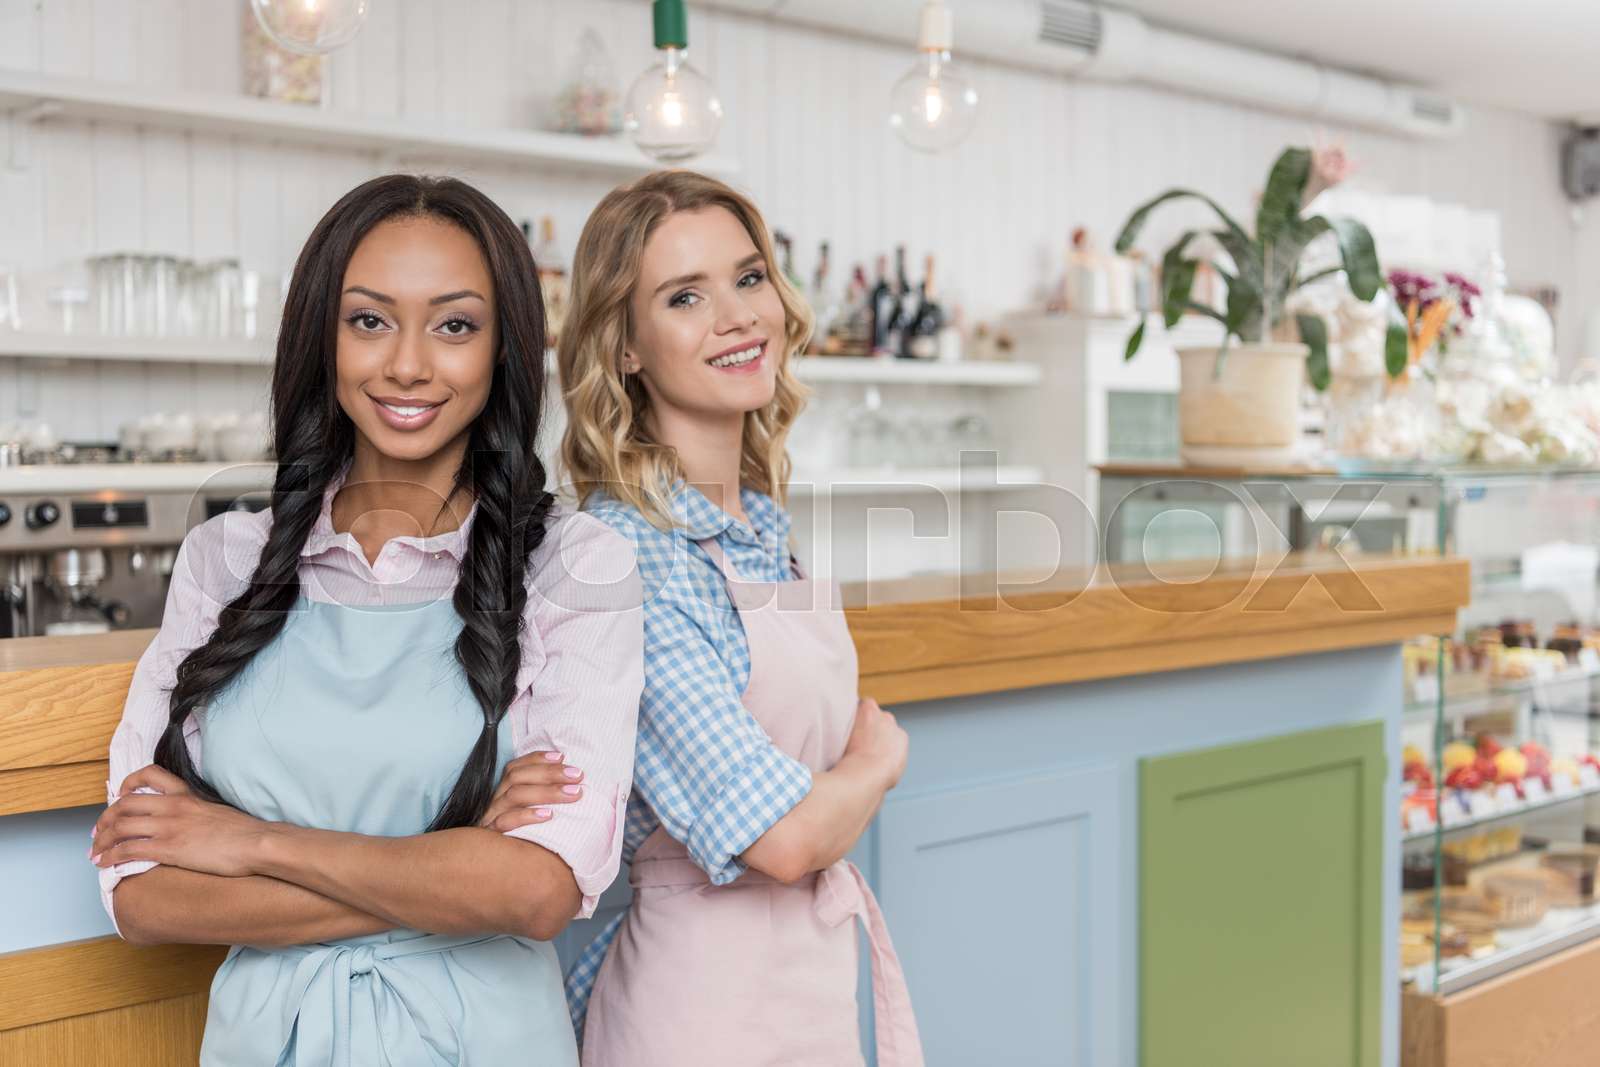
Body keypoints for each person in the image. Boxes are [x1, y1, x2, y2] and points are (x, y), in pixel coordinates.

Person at [90, 174, 643, 1066]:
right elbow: (142, 894)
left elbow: (540, 891)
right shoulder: (225, 559)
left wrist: (248, 843)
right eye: (370, 320)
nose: (409, 364)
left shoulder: (575, 565)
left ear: (504, 348)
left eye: (455, 324)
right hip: (266, 1042)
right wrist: (455, 866)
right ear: (322, 336)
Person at [501, 168, 922, 1066]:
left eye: (749, 277)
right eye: (685, 296)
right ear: (625, 347)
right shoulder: (624, 557)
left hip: (804, 989)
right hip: (703, 1014)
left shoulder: (759, 527)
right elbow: (780, 836)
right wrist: (877, 764)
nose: (737, 316)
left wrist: (835, 787)